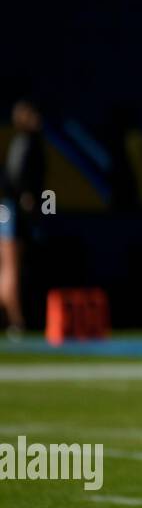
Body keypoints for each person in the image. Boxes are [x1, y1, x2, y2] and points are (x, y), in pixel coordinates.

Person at [1, 99, 45, 338]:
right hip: (11, 209)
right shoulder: (24, 143)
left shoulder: (28, 142)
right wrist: (27, 196)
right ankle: (16, 321)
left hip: (10, 208)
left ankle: (14, 319)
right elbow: (16, 177)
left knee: (9, 267)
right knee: (11, 268)